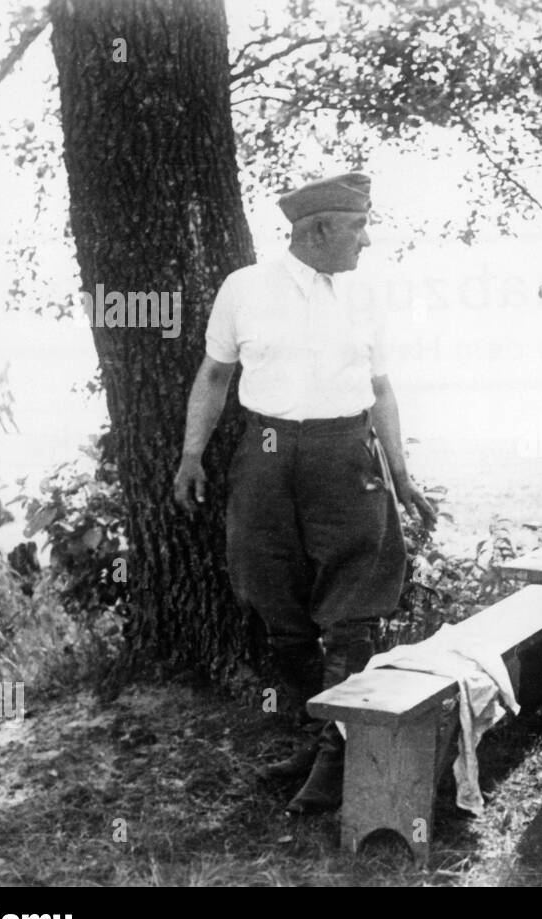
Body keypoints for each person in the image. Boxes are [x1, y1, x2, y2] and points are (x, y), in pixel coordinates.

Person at [174, 172, 436, 815]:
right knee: (271, 596)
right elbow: (213, 374)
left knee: (352, 607)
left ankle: (335, 757)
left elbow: (381, 389)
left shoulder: (367, 294)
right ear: (317, 230)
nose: (368, 240)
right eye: (358, 226)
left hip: (345, 458)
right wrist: (190, 455)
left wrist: (400, 475)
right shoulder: (245, 289)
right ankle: (319, 733)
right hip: (264, 456)